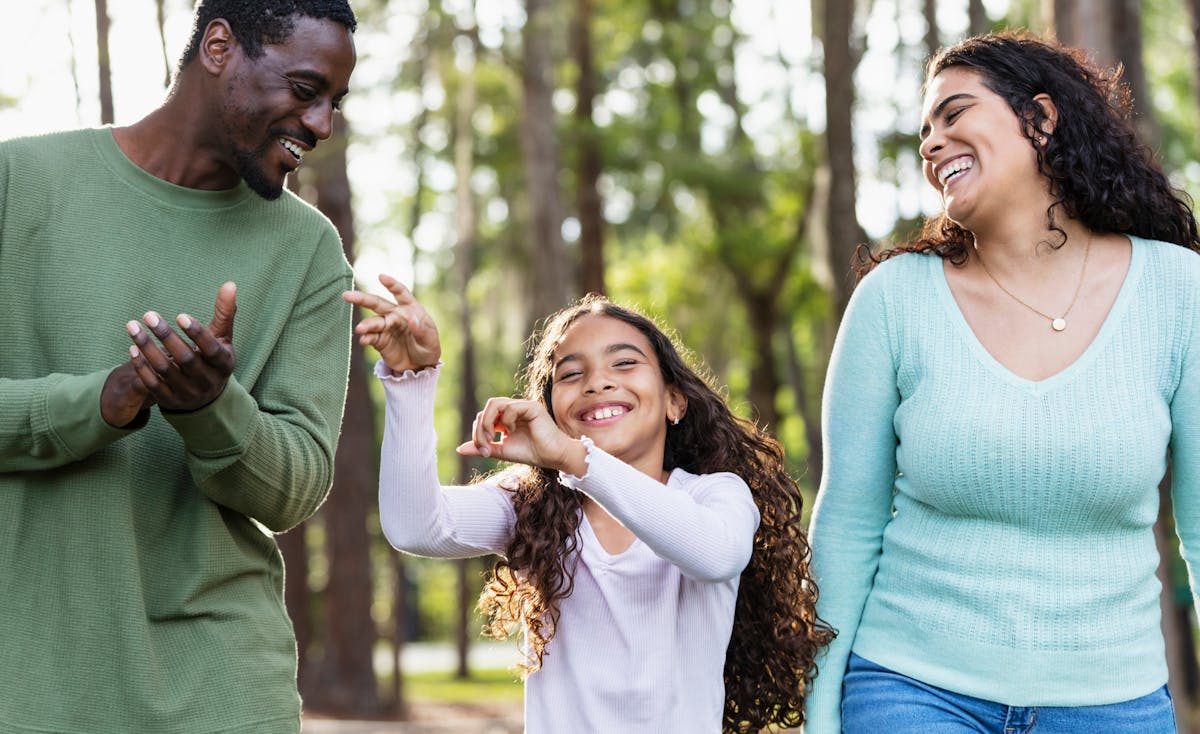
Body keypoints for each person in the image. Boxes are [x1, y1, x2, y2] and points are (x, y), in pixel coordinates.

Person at [807, 31, 1200, 734]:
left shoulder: (1178, 292)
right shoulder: (894, 300)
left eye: (954, 114)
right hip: (912, 690)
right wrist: (818, 714)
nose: (931, 143)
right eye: (925, 129)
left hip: (1116, 701)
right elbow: (846, 526)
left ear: (1041, 119)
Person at [0, 1, 357, 731]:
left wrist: (209, 409)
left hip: (223, 692)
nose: (321, 126)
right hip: (31, 681)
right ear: (220, 46)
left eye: (334, 104)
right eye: (304, 90)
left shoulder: (311, 253)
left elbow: (297, 487)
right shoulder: (19, 182)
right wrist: (108, 398)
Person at [342, 277, 834, 732]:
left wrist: (578, 460)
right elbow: (414, 527)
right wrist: (412, 379)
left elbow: (715, 554)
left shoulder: (714, 494)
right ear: (553, 408)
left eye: (624, 363)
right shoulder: (531, 505)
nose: (598, 381)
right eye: (571, 373)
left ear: (674, 401)